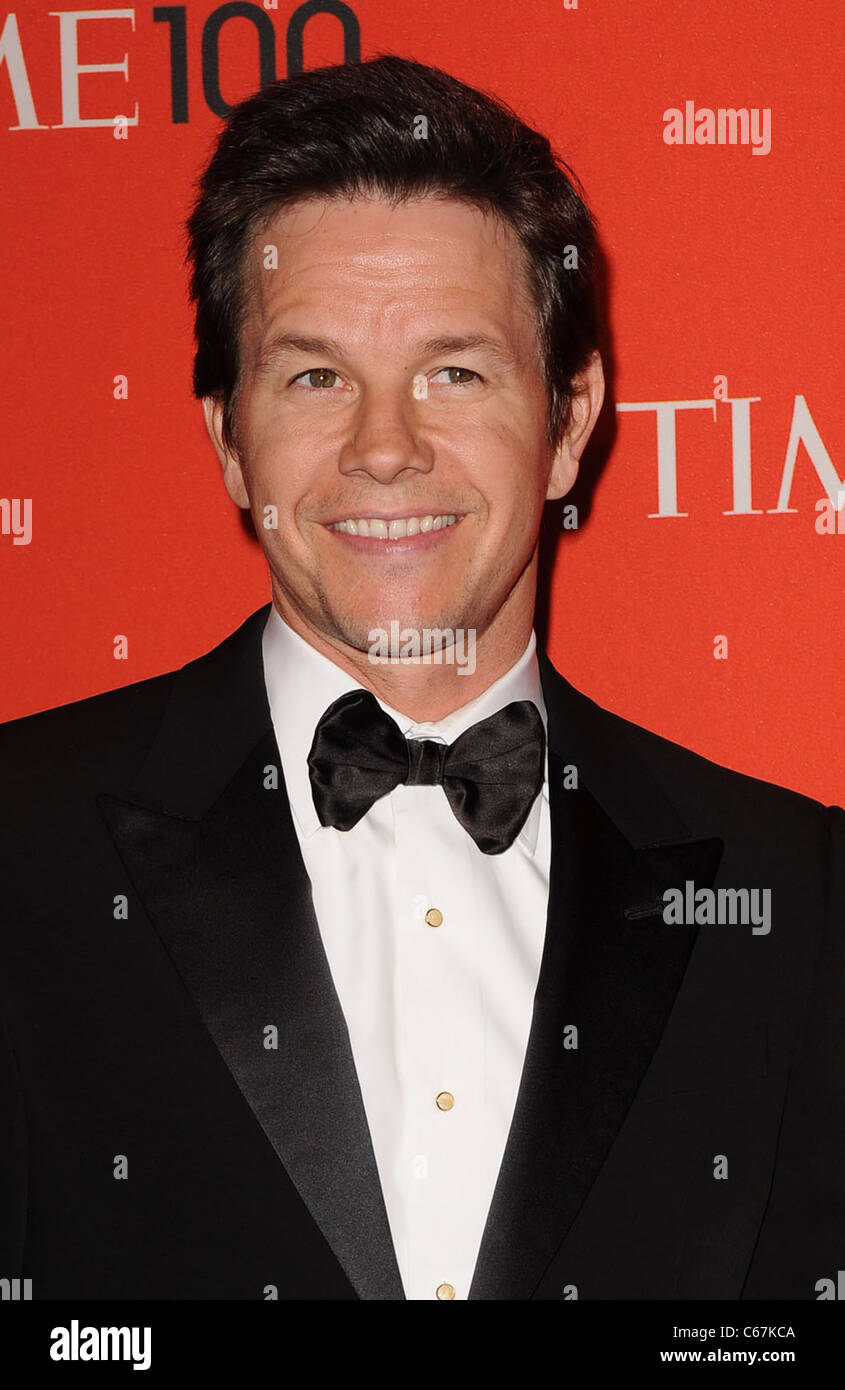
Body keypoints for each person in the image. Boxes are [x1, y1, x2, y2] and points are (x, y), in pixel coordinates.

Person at [1, 54, 842, 1303]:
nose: (383, 448)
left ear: (567, 421)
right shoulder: (22, 848)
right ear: (229, 439)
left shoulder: (801, 896)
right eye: (315, 376)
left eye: (454, 372)